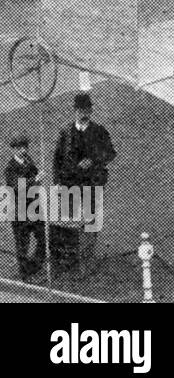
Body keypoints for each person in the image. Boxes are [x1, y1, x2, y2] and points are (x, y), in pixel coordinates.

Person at [53, 92, 116, 266]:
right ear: (75, 111)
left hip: (91, 183)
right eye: (80, 110)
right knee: (68, 220)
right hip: (69, 183)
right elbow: (57, 159)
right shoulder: (65, 132)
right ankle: (69, 259)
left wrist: (94, 159)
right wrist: (57, 182)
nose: (83, 113)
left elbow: (111, 153)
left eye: (87, 110)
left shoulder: (99, 131)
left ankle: (87, 260)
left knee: (90, 221)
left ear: (91, 111)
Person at [5, 136, 44, 279]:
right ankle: (25, 275)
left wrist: (38, 178)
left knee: (43, 238)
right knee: (23, 244)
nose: (23, 150)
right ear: (13, 150)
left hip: (34, 208)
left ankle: (34, 266)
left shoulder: (28, 161)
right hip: (19, 211)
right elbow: (17, 187)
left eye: (25, 147)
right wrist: (35, 180)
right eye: (19, 148)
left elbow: (35, 176)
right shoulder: (10, 168)